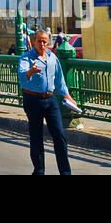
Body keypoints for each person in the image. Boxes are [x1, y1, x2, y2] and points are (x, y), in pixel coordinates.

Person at [18, 28, 77, 175]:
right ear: (34, 41)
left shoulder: (52, 57)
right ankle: (39, 171)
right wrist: (31, 71)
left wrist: (68, 97)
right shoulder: (26, 58)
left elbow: (59, 80)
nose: (42, 44)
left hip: (50, 100)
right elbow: (22, 75)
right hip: (33, 100)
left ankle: (65, 172)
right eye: (39, 41)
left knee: (59, 135)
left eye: (45, 42)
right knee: (36, 136)